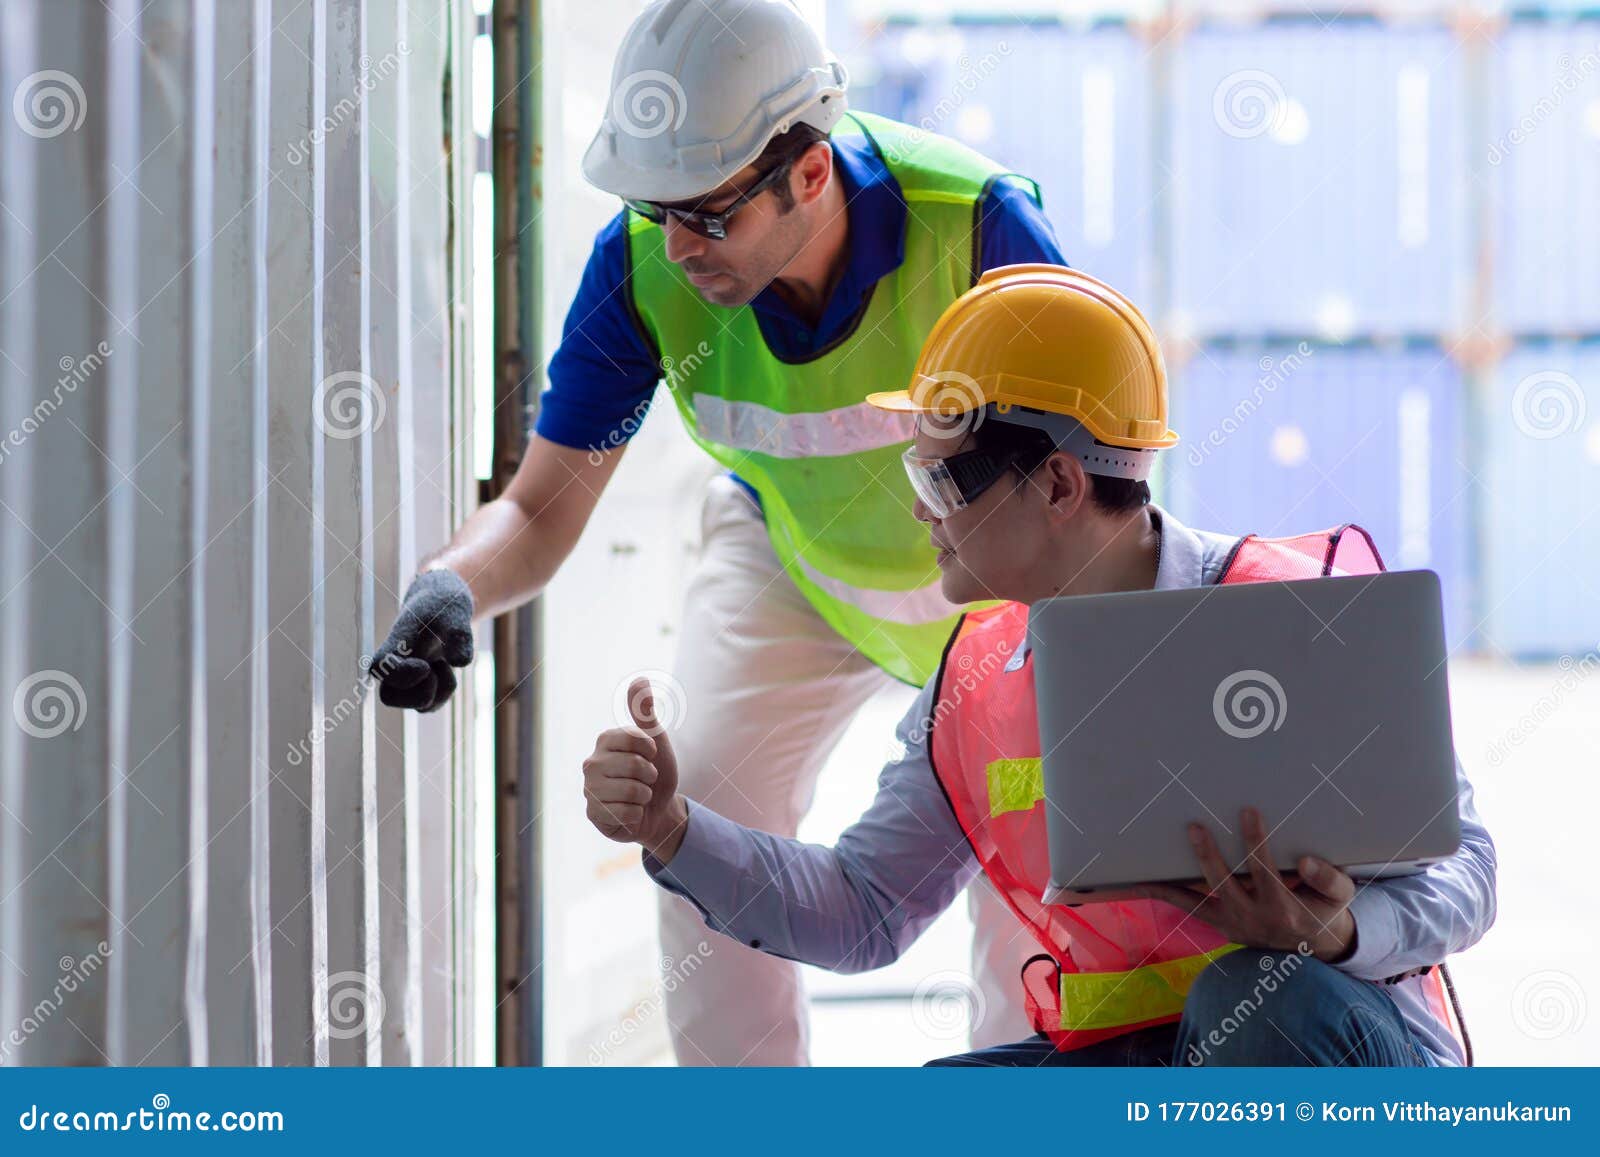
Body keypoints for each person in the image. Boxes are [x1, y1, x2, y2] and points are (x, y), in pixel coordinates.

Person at [370, 0, 1068, 1064]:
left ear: (809, 172)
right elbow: (537, 505)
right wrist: (449, 589)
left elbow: (1088, 495)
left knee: (1035, 887)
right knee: (692, 814)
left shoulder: (981, 228)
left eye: (707, 214)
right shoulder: (643, 261)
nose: (681, 245)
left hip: (992, 586)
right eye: (659, 213)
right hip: (795, 562)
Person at [581, 264, 1498, 1066]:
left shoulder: (1299, 612)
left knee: (1257, 1004)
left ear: (1058, 483)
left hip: (1335, 1053)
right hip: (1140, 1065)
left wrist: (1337, 933)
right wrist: (673, 828)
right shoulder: (975, 685)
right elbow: (863, 910)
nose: (920, 513)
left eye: (940, 481)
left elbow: (1469, 871)